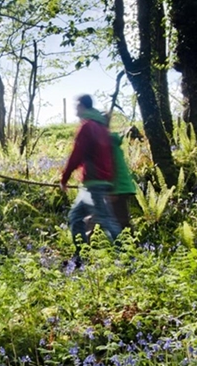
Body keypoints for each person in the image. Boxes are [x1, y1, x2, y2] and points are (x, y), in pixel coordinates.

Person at [60, 95, 122, 262]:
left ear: (82, 106)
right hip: (96, 183)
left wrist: (64, 178)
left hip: (95, 183)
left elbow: (77, 154)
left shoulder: (88, 127)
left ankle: (127, 257)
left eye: (77, 105)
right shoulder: (102, 127)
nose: (75, 109)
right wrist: (112, 183)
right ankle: (81, 256)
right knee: (76, 217)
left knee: (106, 220)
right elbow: (111, 157)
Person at [108, 128, 137, 230]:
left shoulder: (107, 144)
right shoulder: (112, 142)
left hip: (118, 188)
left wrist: (113, 190)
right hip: (122, 187)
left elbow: (112, 168)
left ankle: (132, 243)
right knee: (121, 220)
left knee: (122, 222)